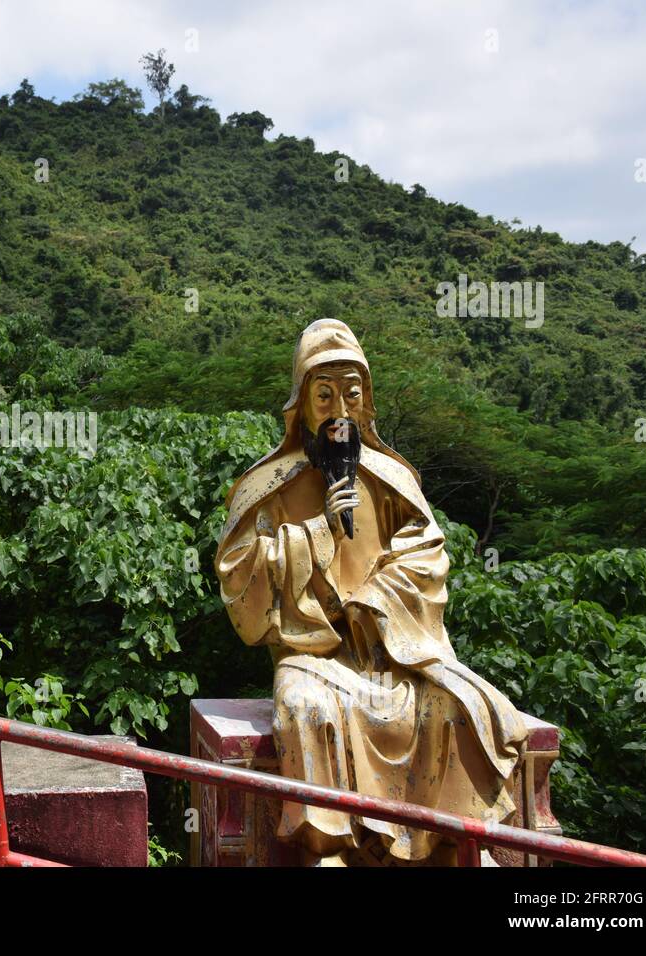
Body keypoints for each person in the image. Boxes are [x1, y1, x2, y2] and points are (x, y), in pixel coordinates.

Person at [214, 318, 526, 865]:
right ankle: (326, 847)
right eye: (324, 393)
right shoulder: (268, 485)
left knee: (452, 704)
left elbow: (426, 557)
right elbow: (241, 579)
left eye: (351, 394)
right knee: (305, 710)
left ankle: (455, 841)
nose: (338, 409)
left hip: (391, 649)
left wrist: (374, 603)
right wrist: (317, 534)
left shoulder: (390, 478)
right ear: (302, 402)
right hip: (314, 655)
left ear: (366, 401)